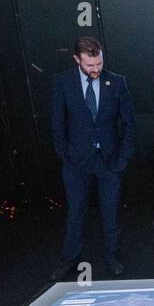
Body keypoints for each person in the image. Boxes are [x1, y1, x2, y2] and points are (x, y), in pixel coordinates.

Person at [48, 36, 136, 280]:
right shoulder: (63, 82)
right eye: (90, 65)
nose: (96, 69)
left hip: (109, 160)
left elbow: (130, 124)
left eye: (99, 63)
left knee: (110, 212)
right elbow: (57, 122)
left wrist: (122, 159)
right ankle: (70, 258)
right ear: (77, 59)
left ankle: (112, 256)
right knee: (75, 211)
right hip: (76, 161)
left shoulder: (117, 82)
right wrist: (66, 155)